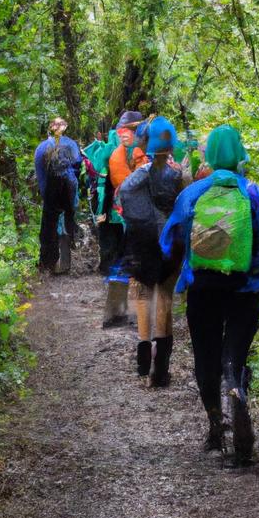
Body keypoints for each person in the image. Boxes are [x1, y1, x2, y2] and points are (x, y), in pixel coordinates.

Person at [159, 124, 259, 465]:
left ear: (209, 156)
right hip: (246, 291)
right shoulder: (253, 192)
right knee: (233, 359)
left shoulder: (193, 193)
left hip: (203, 289)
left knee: (205, 359)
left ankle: (215, 426)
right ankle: (237, 395)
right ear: (240, 153)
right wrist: (245, 268)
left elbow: (171, 240)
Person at [117, 116, 184, 387]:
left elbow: (122, 199)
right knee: (165, 297)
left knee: (143, 296)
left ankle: (144, 360)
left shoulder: (136, 178)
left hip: (141, 245)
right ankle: (162, 364)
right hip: (169, 244)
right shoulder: (177, 175)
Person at [83, 111, 147, 326]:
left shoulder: (125, 149)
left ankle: (118, 313)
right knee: (128, 259)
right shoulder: (136, 150)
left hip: (117, 213)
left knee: (121, 260)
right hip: (122, 215)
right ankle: (126, 314)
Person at [33, 117, 82, 274]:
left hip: (49, 193)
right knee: (66, 224)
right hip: (67, 191)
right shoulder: (71, 145)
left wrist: (44, 191)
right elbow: (77, 167)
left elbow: (39, 172)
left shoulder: (41, 147)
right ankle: (64, 264)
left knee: (49, 225)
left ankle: (48, 263)